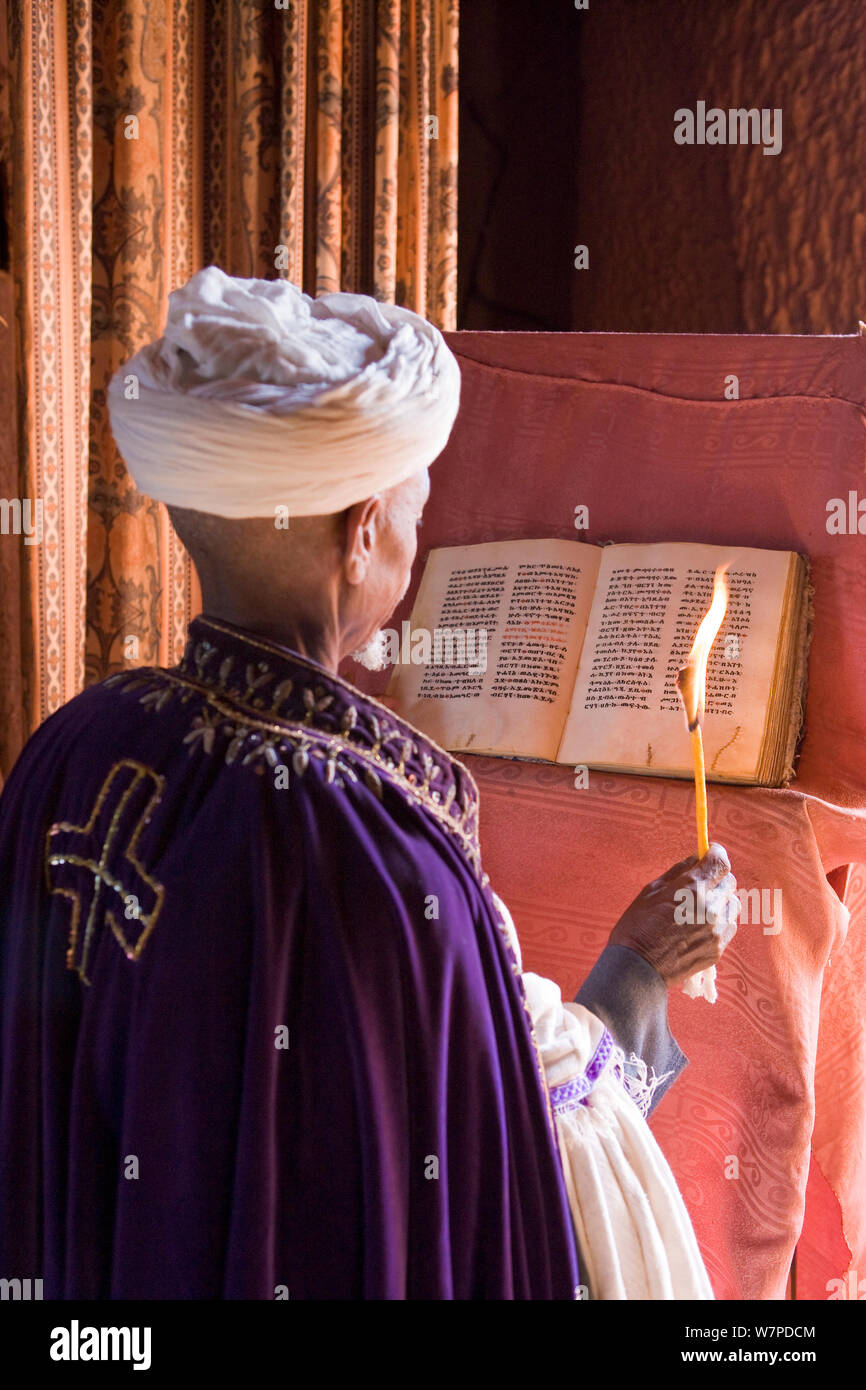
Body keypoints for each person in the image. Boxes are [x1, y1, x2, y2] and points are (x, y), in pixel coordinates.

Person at [0, 268, 738, 1299]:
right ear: (360, 532)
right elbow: (510, 1163)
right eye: (413, 512)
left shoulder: (69, 750)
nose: (415, 542)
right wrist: (636, 972)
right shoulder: (370, 848)